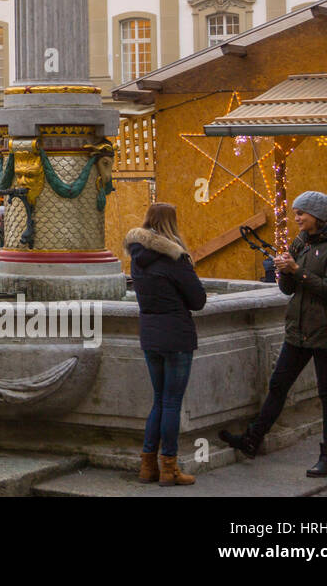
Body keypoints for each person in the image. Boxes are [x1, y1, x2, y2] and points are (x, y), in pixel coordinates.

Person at [219, 191, 327, 478]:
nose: (296, 218)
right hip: (299, 330)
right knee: (278, 385)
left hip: (326, 330)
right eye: (295, 213)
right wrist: (284, 273)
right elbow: (288, 291)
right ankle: (252, 440)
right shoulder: (300, 242)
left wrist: (298, 271)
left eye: (300, 213)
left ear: (316, 214)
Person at [125, 203, 206, 487]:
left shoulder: (137, 257)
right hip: (176, 335)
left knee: (159, 400)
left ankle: (148, 466)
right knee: (171, 402)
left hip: (150, 334)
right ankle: (169, 468)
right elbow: (198, 300)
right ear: (172, 224)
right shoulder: (174, 258)